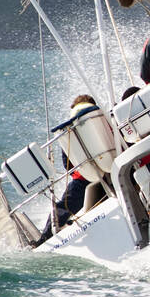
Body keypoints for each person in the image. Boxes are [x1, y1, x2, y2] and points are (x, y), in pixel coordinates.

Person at [37, 94, 96, 242]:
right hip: (114, 172)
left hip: (84, 179)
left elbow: (67, 165)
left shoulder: (69, 133)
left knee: (62, 208)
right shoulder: (106, 121)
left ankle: (44, 240)